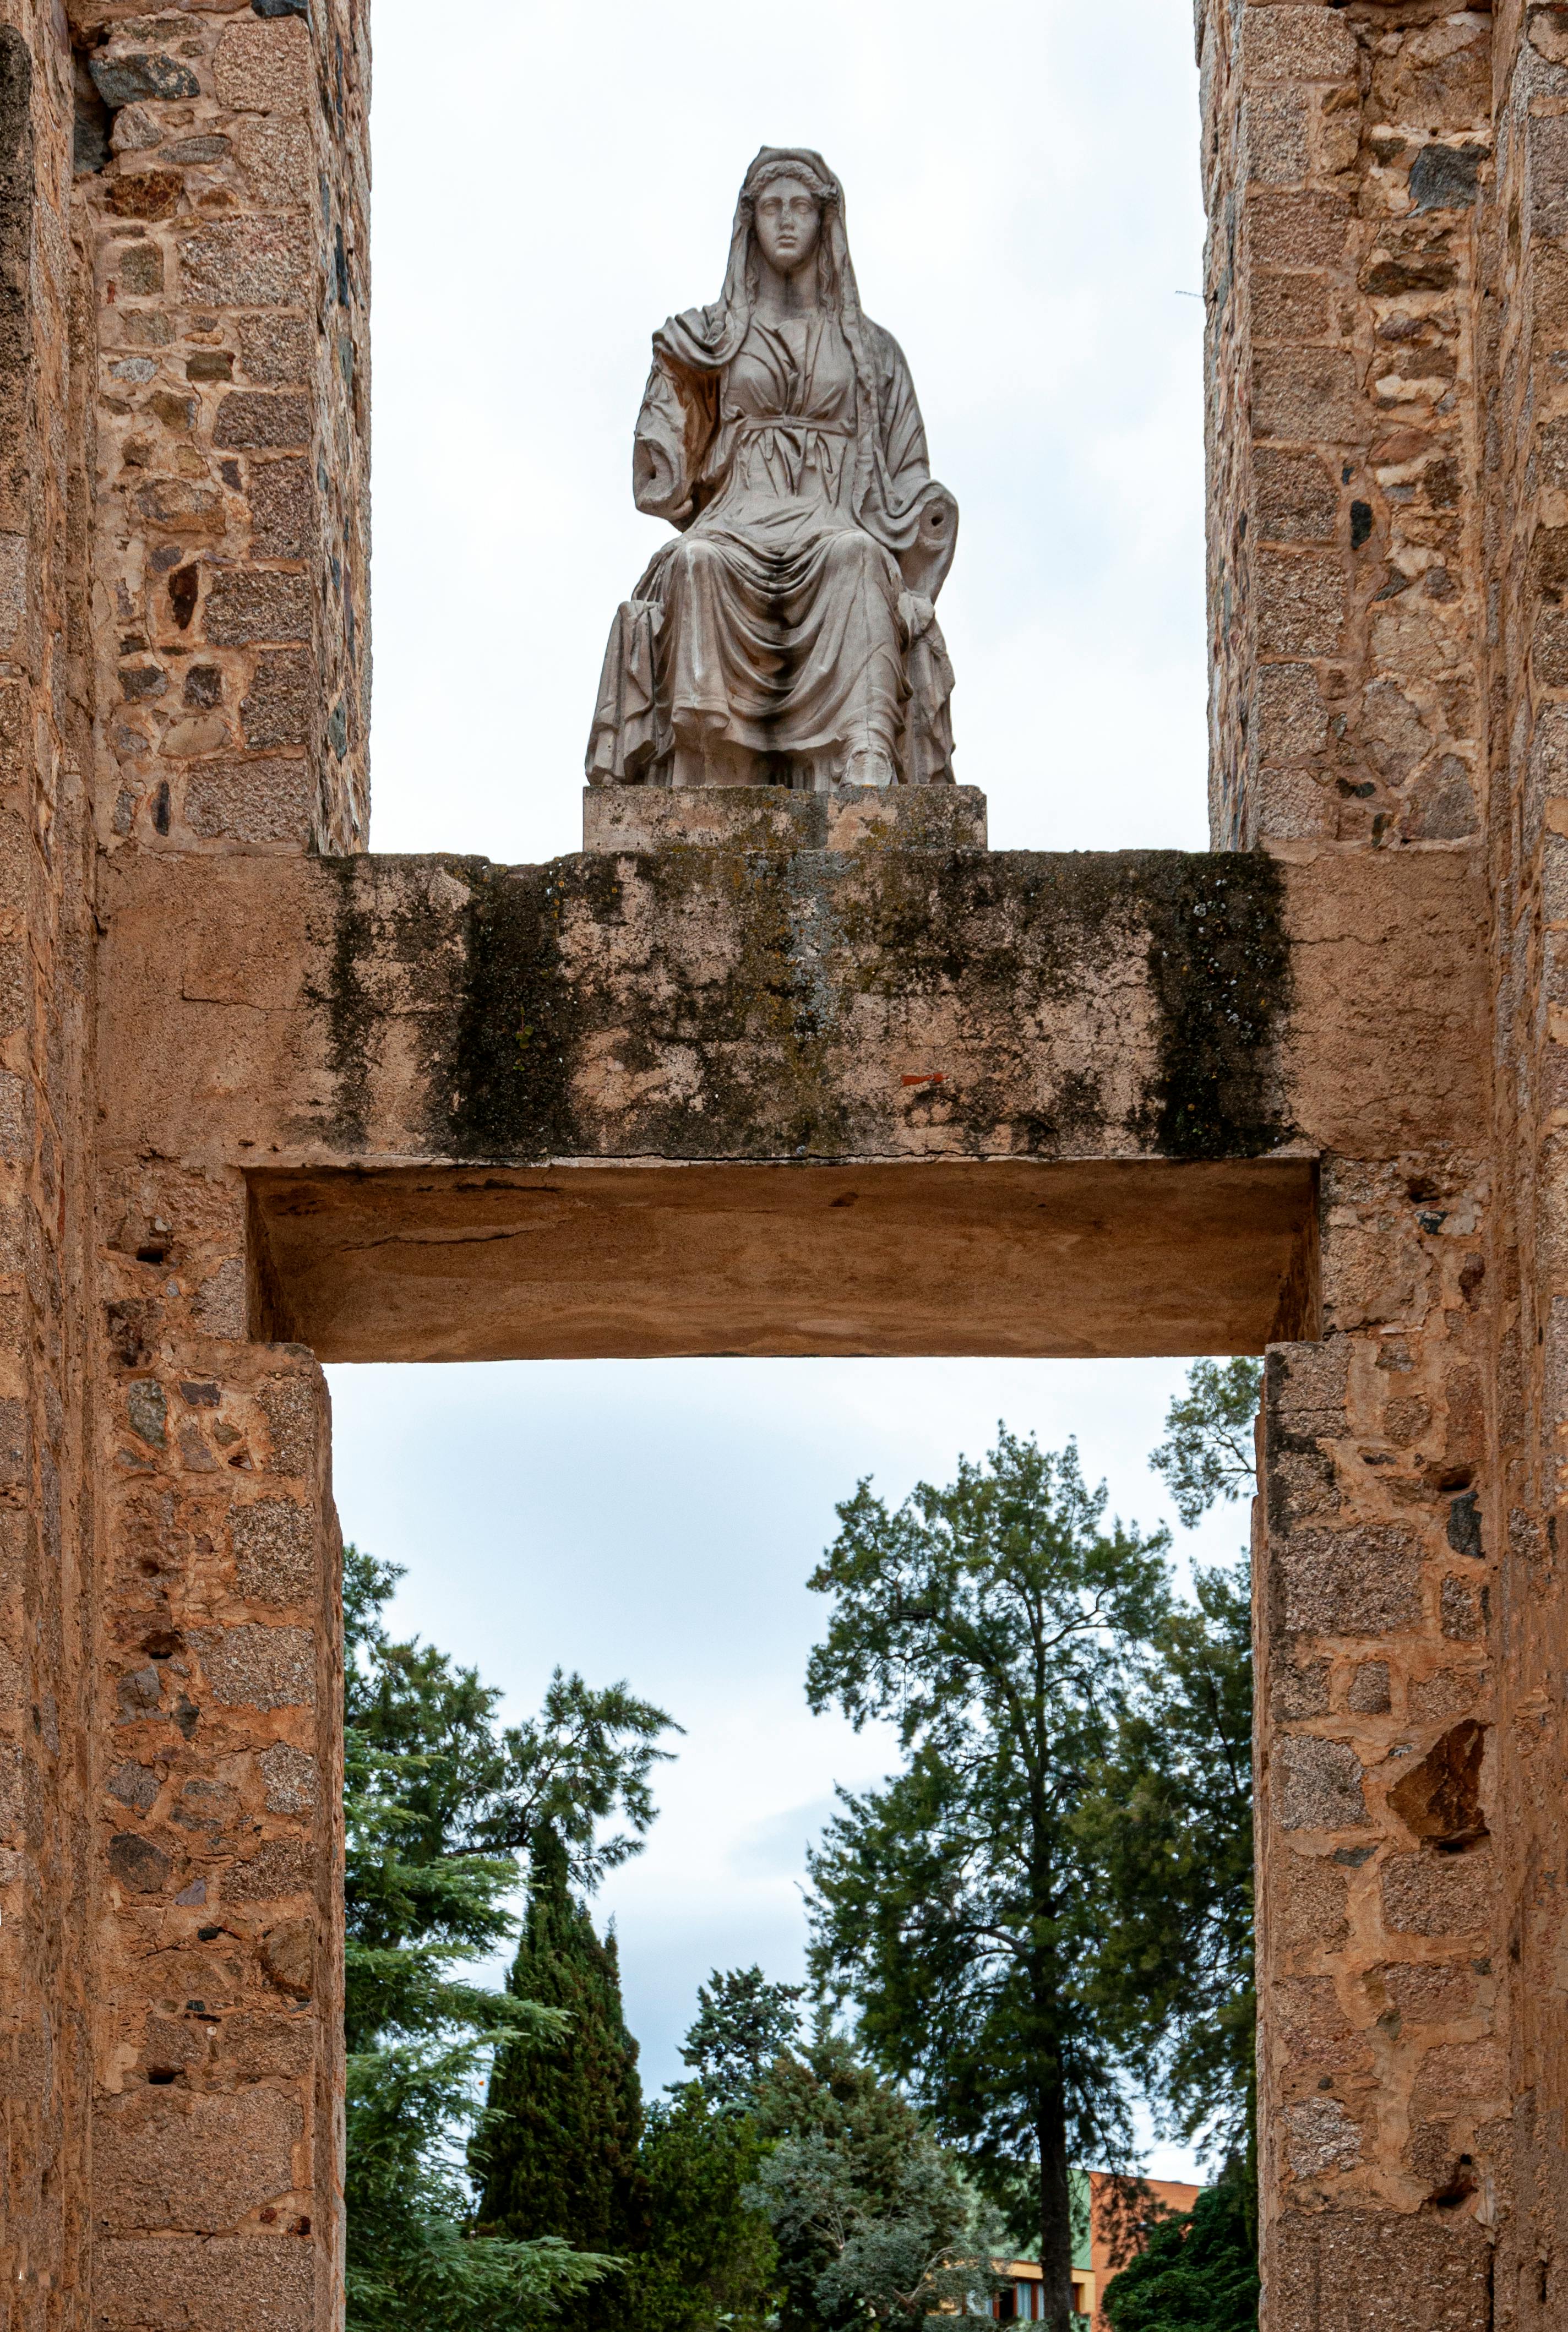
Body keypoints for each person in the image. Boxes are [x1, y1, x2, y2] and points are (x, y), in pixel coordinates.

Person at [586, 146, 958, 792]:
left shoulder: (872, 352)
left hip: (832, 521)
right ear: (749, 221)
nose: (786, 221)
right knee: (693, 562)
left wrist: (923, 515)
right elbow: (666, 480)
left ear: (825, 220)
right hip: (735, 521)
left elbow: (906, 469)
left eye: (801, 207)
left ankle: (863, 753)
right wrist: (677, 377)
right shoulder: (712, 338)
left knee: (858, 561)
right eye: (772, 207)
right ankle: (706, 758)